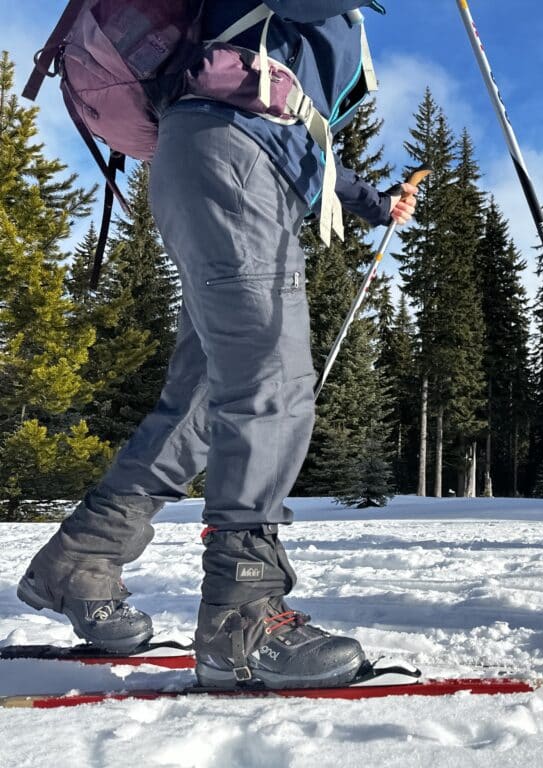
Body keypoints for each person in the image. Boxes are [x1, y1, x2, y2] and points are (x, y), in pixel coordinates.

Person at [16, 1, 419, 689]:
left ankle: (82, 559)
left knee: (202, 400)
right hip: (233, 160)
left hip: (227, 159)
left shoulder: (293, 40)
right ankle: (242, 617)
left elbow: (299, 130)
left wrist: (377, 203)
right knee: (269, 377)